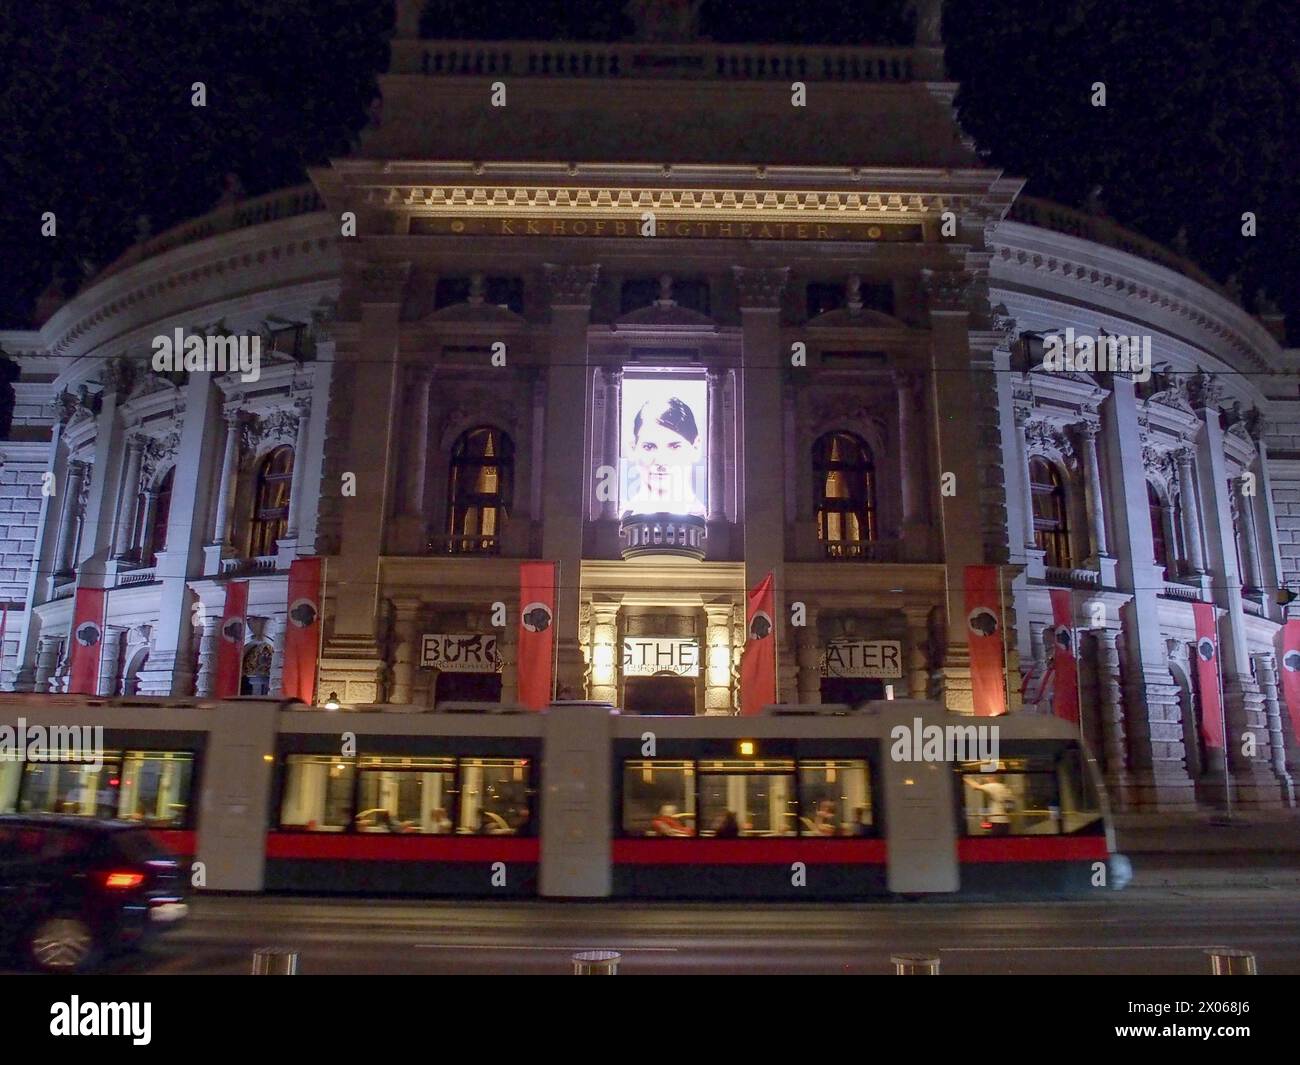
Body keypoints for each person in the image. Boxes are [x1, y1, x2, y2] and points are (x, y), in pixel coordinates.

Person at [622, 396, 706, 517]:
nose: (661, 461)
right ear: (632, 449)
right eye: (649, 447)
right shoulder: (621, 519)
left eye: (674, 447)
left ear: (696, 447)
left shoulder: (706, 518)